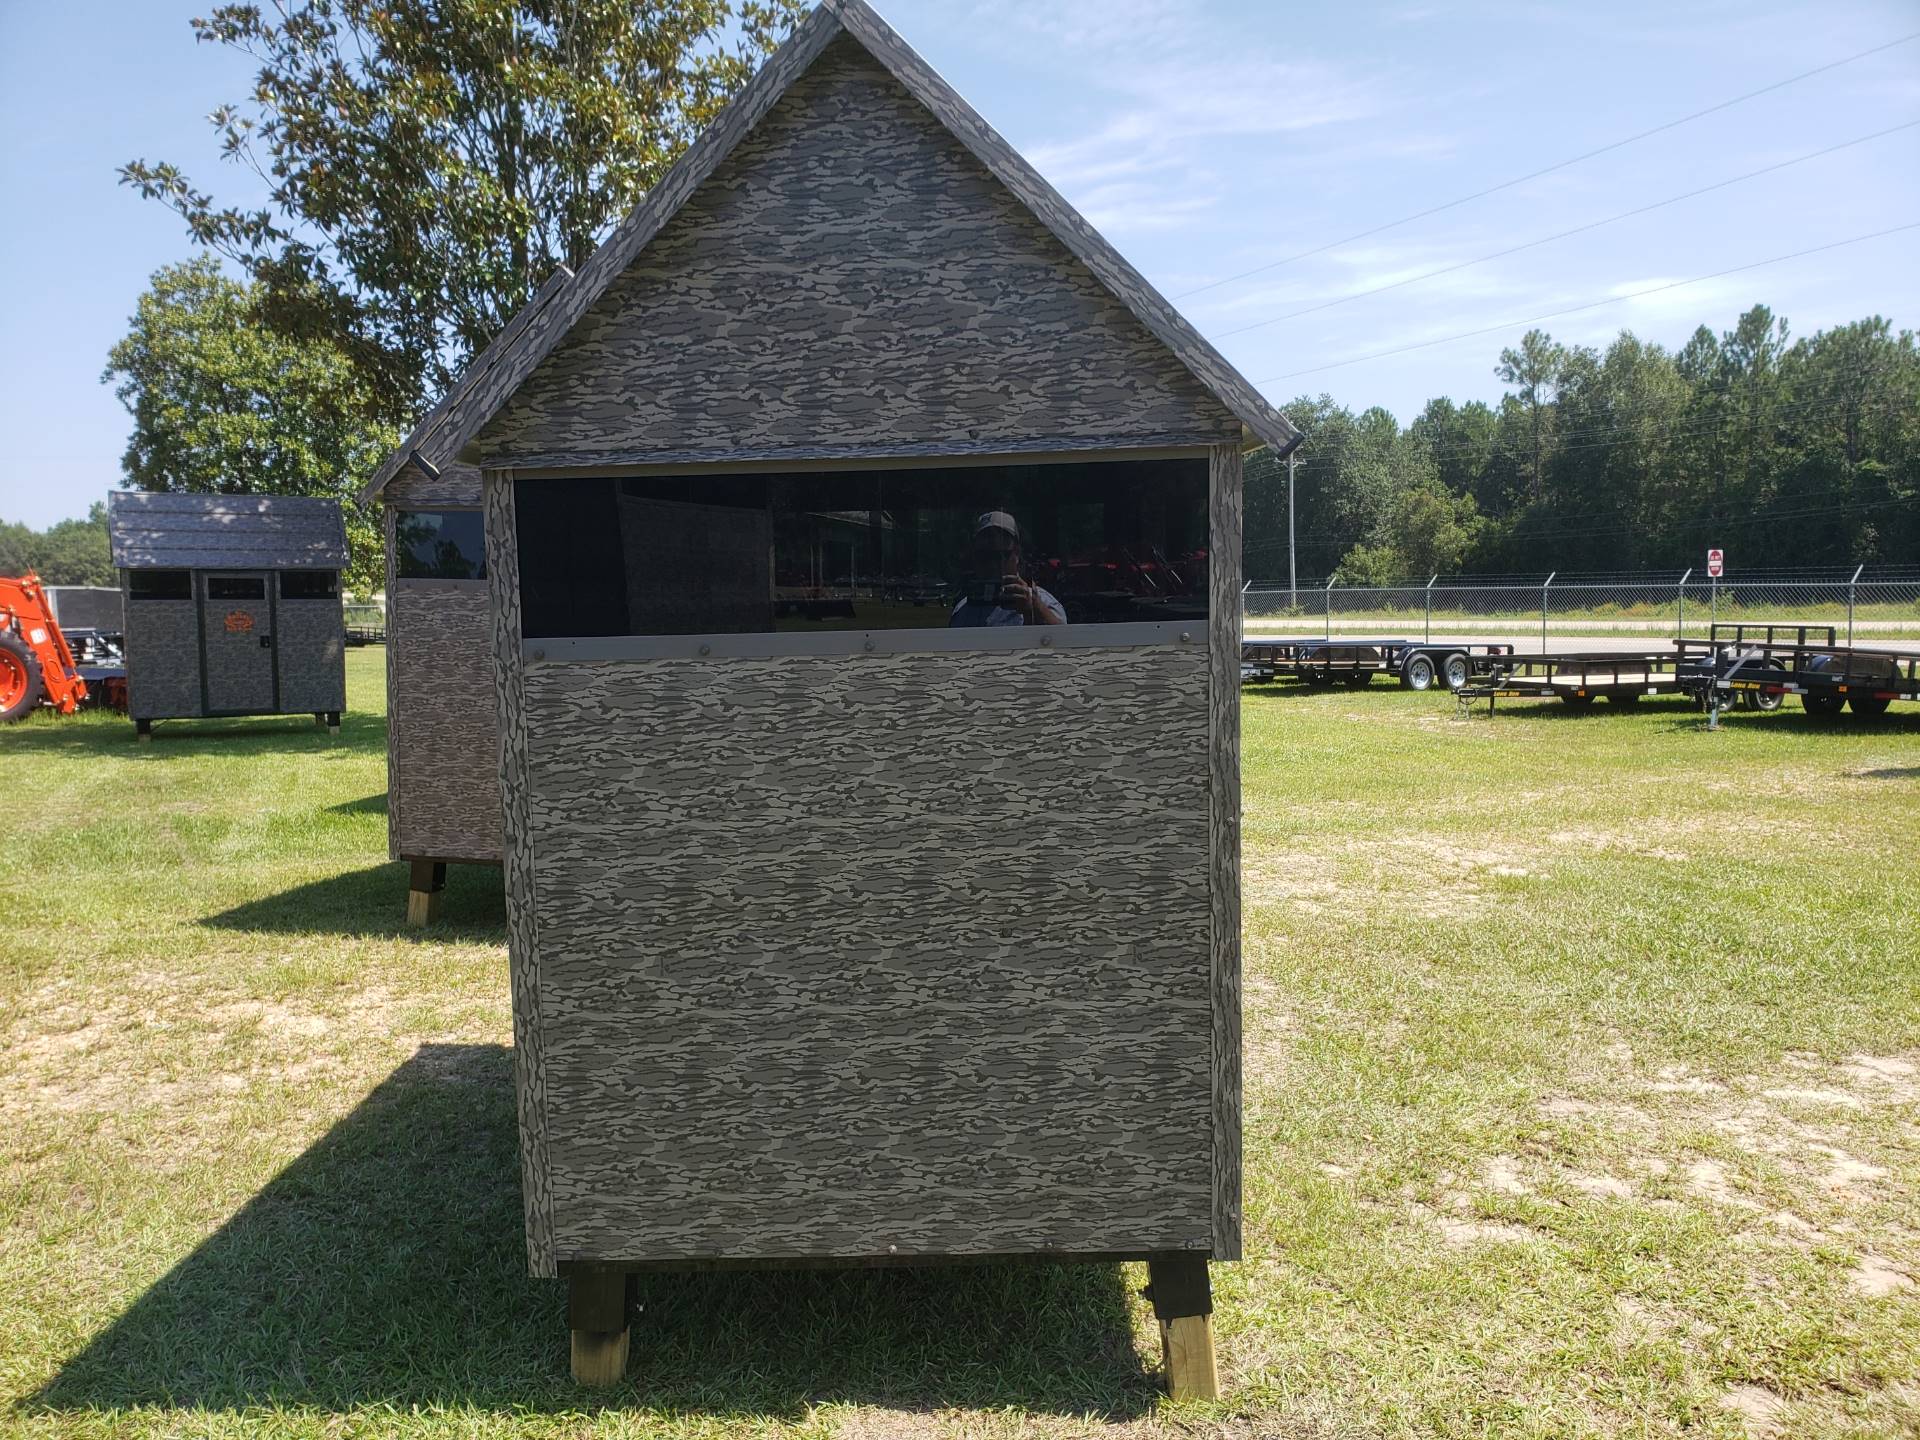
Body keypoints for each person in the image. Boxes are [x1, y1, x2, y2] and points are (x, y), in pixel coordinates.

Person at [949, 511, 1067, 627]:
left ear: (1016, 553)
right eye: (983, 556)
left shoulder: (1041, 601)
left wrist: (1033, 608)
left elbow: (1063, 640)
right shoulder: (963, 608)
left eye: (1000, 556)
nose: (992, 565)